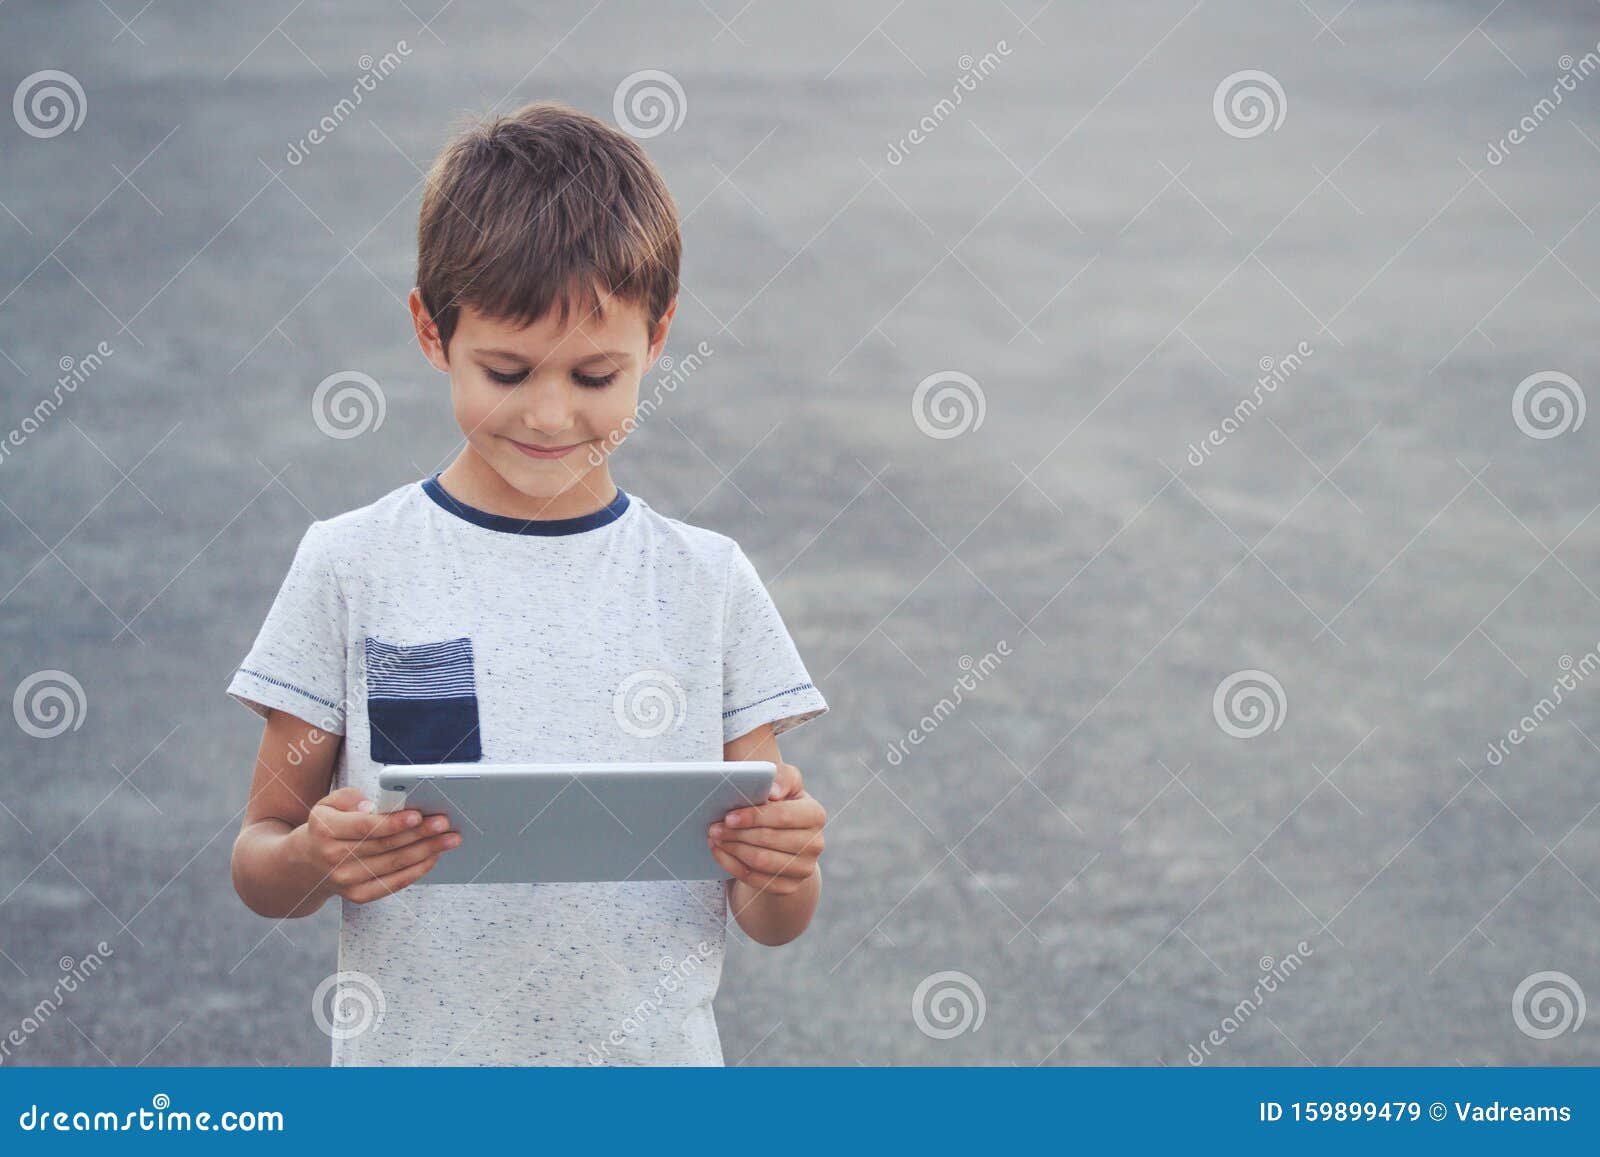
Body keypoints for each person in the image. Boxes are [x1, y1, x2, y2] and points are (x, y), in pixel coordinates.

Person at [225, 100, 830, 1066]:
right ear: (431, 330)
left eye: (597, 376)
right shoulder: (352, 564)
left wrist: (783, 863)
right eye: (506, 370)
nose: (551, 415)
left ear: (659, 338)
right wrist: (311, 858)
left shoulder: (705, 583)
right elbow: (263, 854)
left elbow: (771, 913)